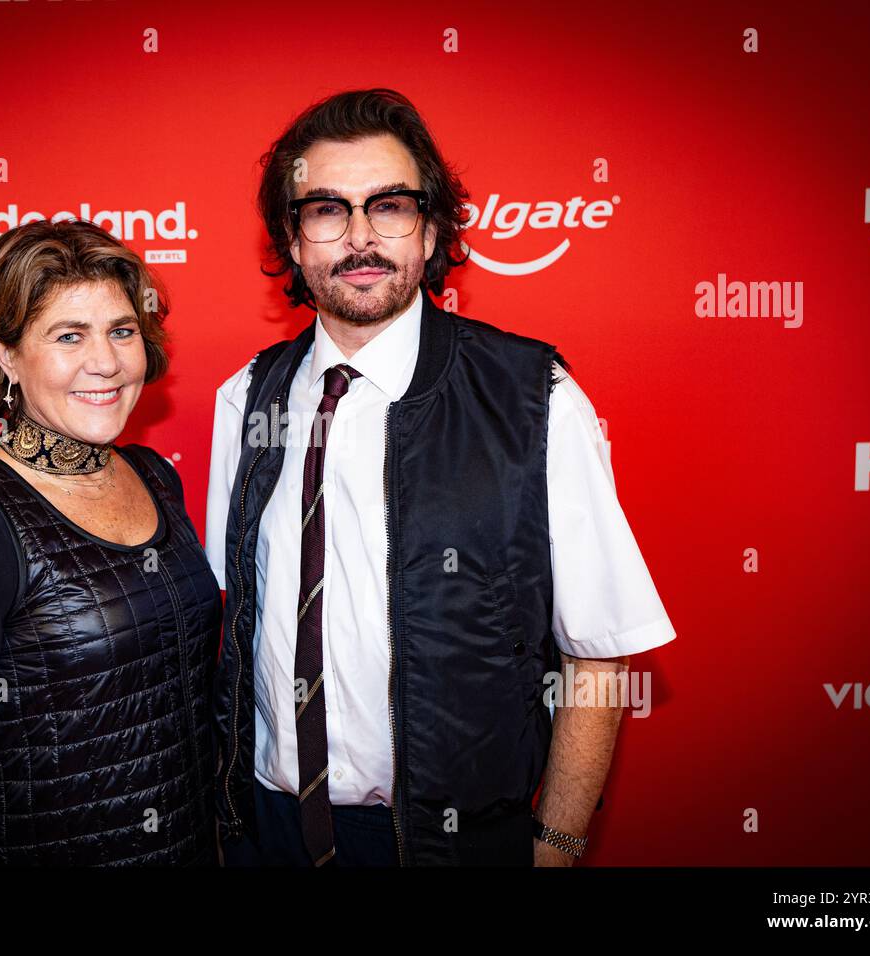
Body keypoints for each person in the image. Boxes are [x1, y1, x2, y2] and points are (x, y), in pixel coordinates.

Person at [206, 88, 678, 867]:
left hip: (451, 846)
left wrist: (556, 847)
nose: (360, 237)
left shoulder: (534, 396)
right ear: (293, 240)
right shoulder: (246, 398)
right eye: (326, 210)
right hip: (271, 832)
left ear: (429, 230)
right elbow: (237, 630)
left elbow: (599, 654)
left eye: (389, 206)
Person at [0, 218, 221, 866]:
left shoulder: (154, 476)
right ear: (6, 355)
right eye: (69, 335)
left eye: (122, 331)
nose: (106, 361)